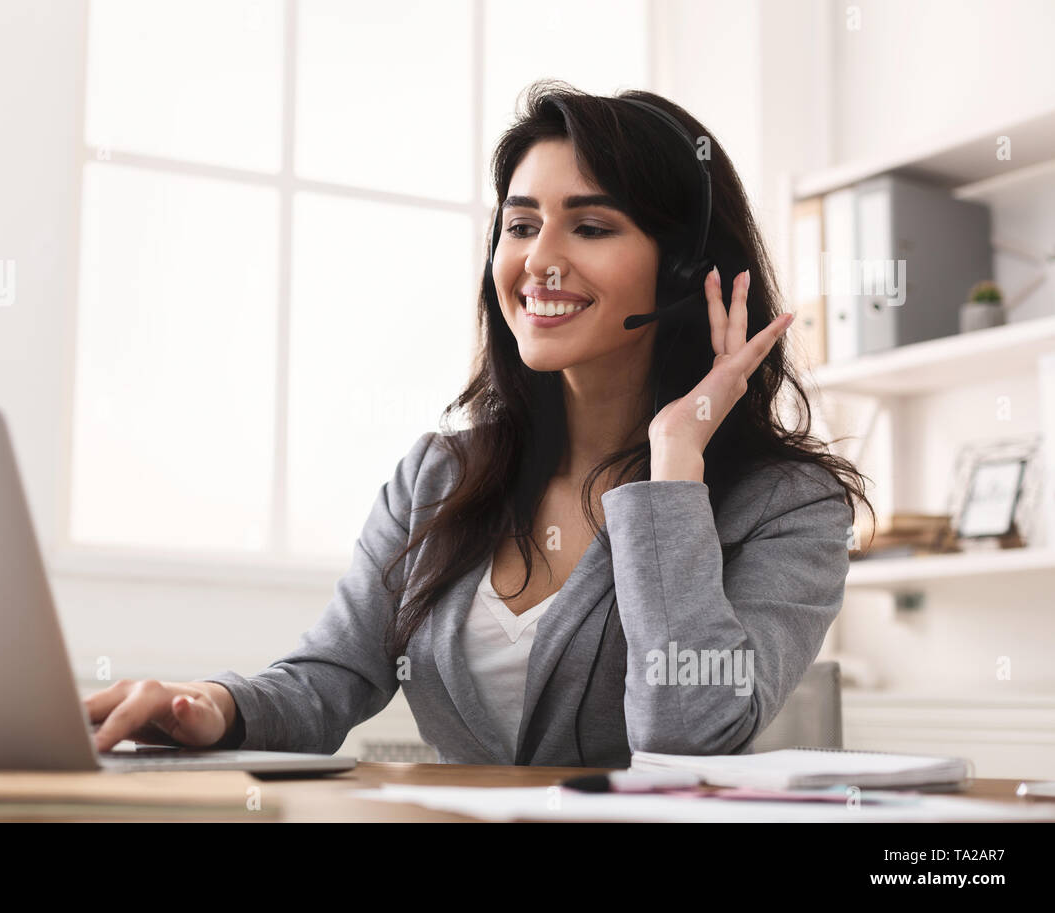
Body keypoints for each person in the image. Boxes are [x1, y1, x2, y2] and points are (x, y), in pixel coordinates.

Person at [85, 81, 873, 766]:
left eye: (590, 227)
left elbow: (686, 734)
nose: (538, 260)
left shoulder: (790, 507)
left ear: (683, 272)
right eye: (522, 224)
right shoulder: (440, 474)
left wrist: (674, 463)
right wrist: (211, 705)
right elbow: (332, 677)